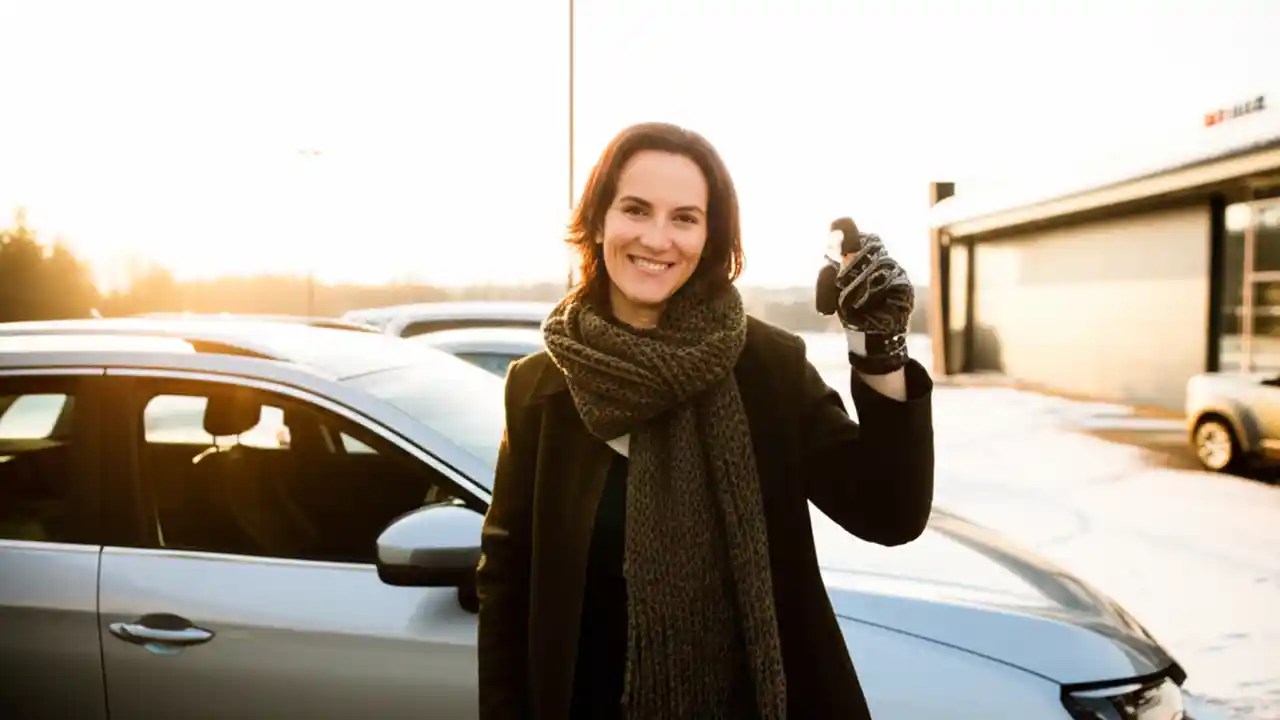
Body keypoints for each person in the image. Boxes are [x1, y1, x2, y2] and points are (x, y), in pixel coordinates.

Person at [476, 121, 934, 720]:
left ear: (712, 236)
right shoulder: (541, 389)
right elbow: (507, 583)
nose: (658, 238)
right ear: (597, 221)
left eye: (685, 217)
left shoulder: (766, 368)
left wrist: (879, 347)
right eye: (635, 209)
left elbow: (889, 512)